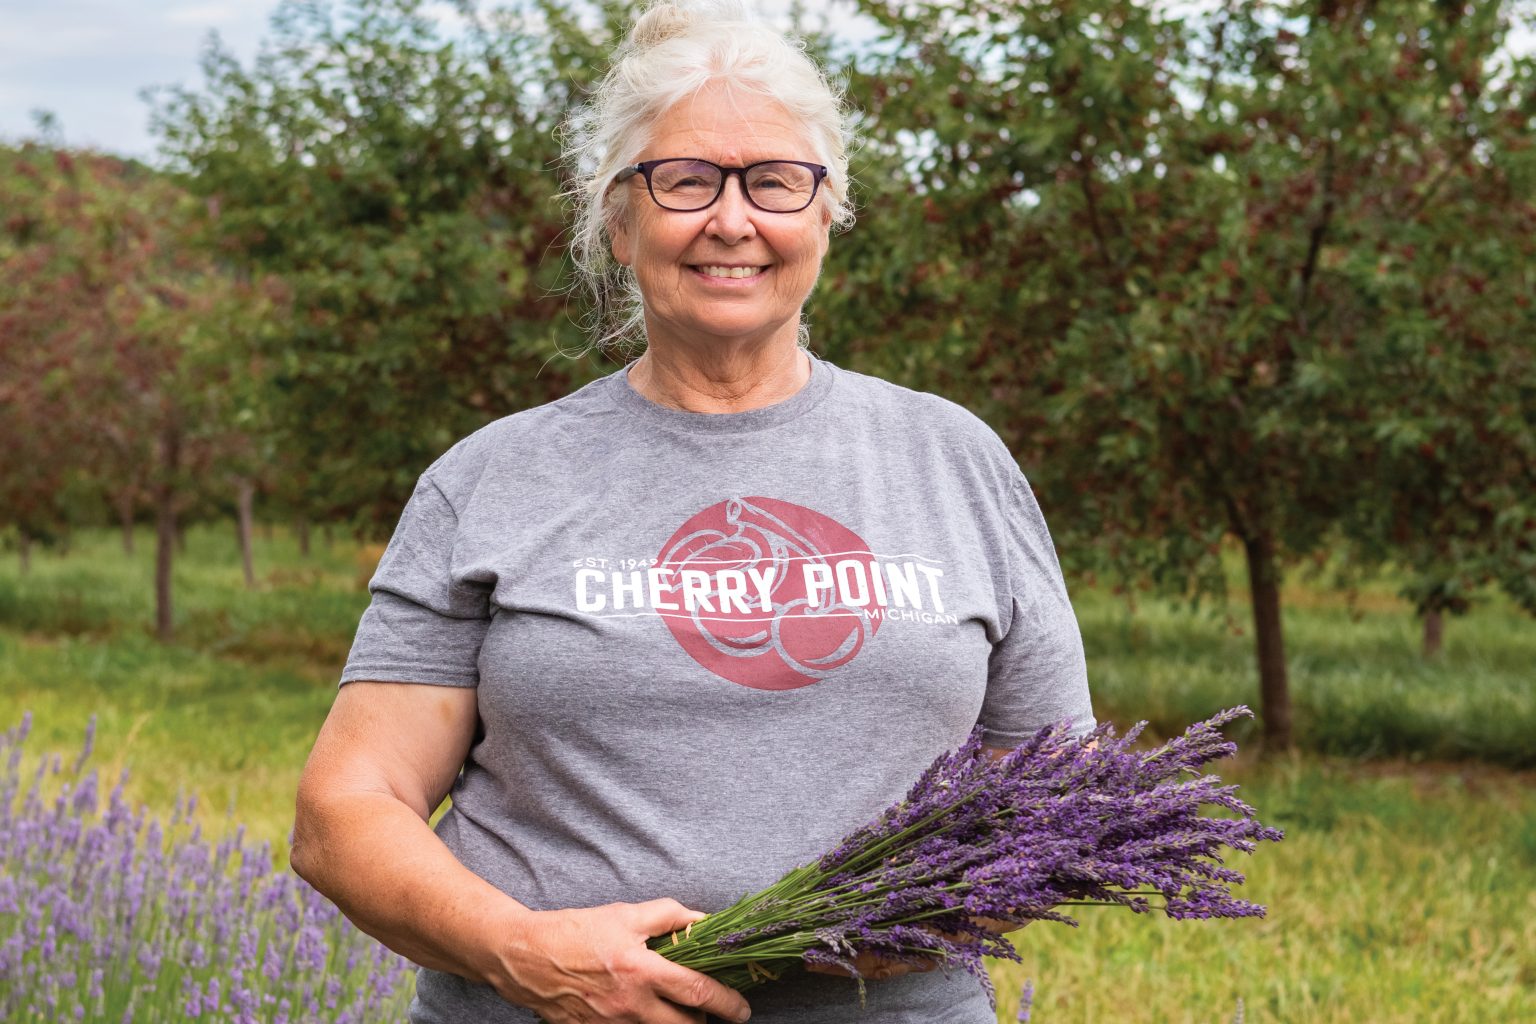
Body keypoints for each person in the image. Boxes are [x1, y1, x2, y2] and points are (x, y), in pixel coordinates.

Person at [290, 2, 1095, 1022]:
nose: (731, 219)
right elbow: (345, 810)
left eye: (774, 180)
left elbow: (1062, 794)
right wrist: (519, 949)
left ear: (825, 212)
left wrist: (897, 922)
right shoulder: (491, 478)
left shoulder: (954, 460)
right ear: (618, 220)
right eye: (684, 180)